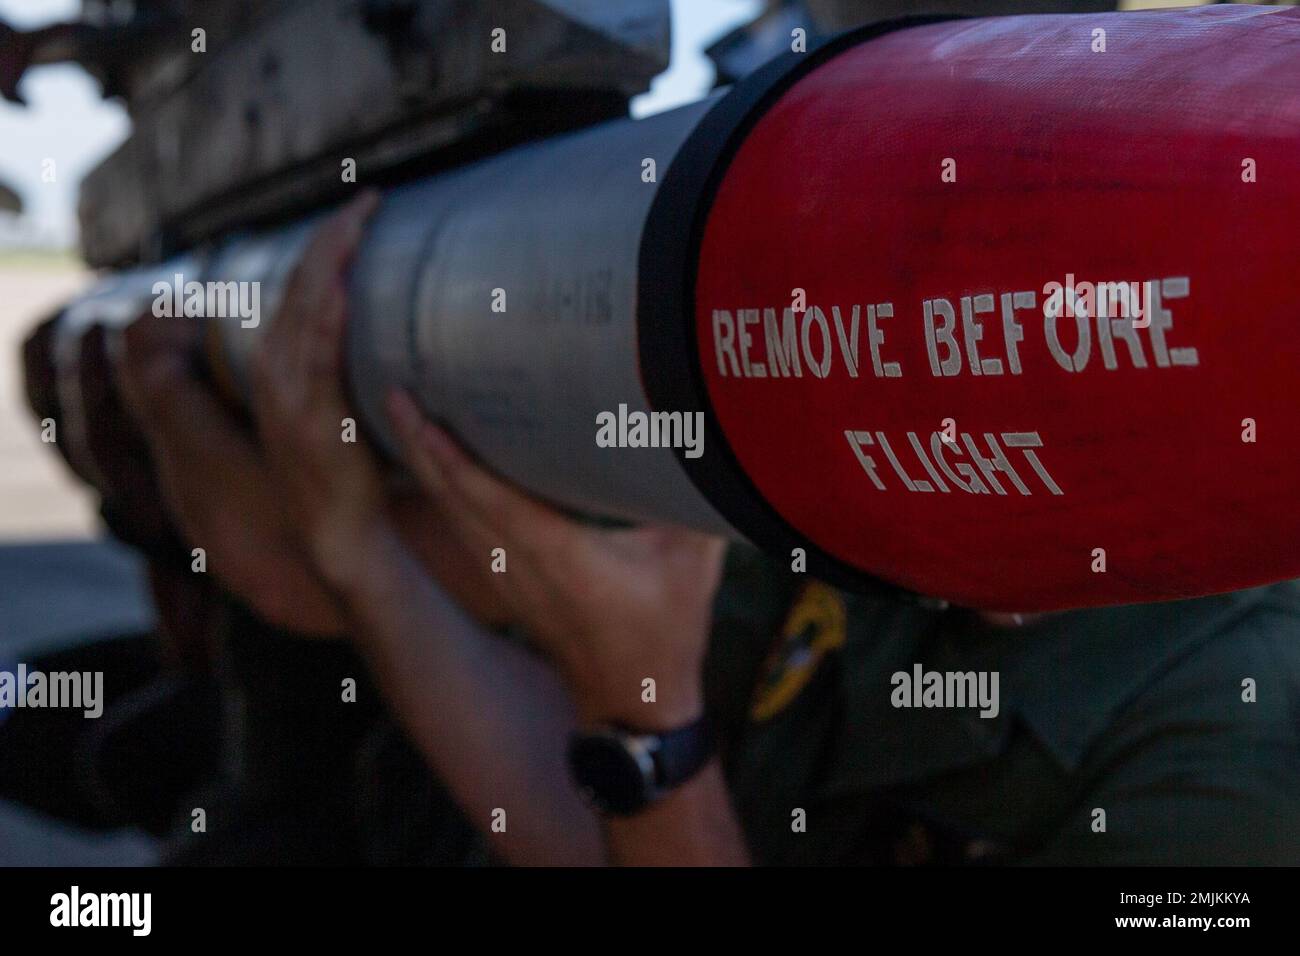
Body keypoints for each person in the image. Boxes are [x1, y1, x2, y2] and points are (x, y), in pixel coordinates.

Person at [118, 193, 1300, 866]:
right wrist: (353, 542)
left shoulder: (1234, 766)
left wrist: (650, 729)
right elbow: (577, 831)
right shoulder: (861, 488)